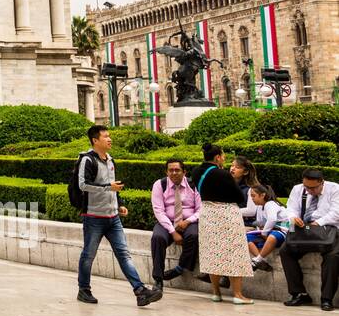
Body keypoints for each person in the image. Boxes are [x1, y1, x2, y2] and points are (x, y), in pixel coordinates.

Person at [75, 126, 163, 306]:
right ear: (95, 140)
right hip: (94, 217)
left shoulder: (110, 160)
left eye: (109, 136)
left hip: (113, 217)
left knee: (124, 254)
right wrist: (109, 187)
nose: (110, 139)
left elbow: (114, 187)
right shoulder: (87, 160)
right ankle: (84, 290)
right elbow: (83, 185)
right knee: (89, 255)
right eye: (106, 136)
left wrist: (120, 204)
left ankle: (140, 291)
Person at [188, 143, 256, 304]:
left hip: (207, 214)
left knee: (213, 253)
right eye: (223, 156)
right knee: (235, 254)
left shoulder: (196, 172)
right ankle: (238, 295)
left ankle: (216, 292)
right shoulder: (222, 174)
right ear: (217, 157)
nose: (224, 159)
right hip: (226, 214)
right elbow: (239, 197)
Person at [280, 167, 339, 310]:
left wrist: (317, 223)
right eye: (306, 186)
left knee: (333, 256)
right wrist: (293, 218)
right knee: (285, 250)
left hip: (328, 229)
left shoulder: (335, 189)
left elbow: (336, 213)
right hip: (305, 230)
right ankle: (299, 293)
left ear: (321, 182)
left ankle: (326, 298)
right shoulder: (298, 189)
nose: (309, 191)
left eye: (313, 188)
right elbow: (290, 208)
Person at [150, 159, 202, 287]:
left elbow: (201, 209)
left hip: (189, 221)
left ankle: (181, 268)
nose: (174, 173)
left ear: (184, 172)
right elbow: (158, 211)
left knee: (194, 236)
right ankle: (158, 278)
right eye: (170, 170)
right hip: (167, 221)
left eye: (177, 170)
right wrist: (173, 232)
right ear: (166, 172)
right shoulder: (159, 185)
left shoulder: (193, 185)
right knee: (157, 238)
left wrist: (188, 221)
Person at [246, 184, 288, 272]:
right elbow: (261, 222)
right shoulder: (261, 206)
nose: (252, 199)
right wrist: (257, 229)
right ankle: (261, 260)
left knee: (272, 236)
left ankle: (257, 259)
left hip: (282, 231)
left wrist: (264, 232)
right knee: (247, 237)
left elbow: (272, 219)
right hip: (270, 231)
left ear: (263, 195)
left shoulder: (270, 204)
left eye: (253, 196)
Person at [230, 155, 259, 227]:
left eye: (237, 167)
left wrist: (229, 212)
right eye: (232, 165)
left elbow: (251, 211)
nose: (233, 169)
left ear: (245, 172)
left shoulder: (251, 189)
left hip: (247, 224)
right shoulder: (228, 186)